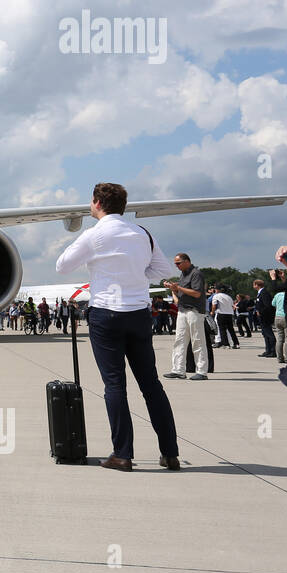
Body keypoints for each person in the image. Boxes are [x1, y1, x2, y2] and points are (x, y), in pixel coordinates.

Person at [55, 182, 180, 471]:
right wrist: (136, 274)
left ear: (97, 203)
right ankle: (170, 453)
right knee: (152, 385)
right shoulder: (142, 233)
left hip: (106, 316)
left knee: (115, 385)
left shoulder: (95, 234)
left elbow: (63, 265)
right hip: (138, 313)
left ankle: (123, 454)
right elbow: (163, 270)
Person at [165, 252, 210, 380]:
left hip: (194, 311)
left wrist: (178, 287)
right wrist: (173, 289)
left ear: (186, 261)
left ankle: (202, 371)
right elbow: (180, 295)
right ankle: (178, 370)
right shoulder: (183, 274)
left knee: (198, 340)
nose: (176, 266)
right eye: (175, 264)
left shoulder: (196, 274)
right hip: (183, 309)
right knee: (179, 340)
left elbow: (196, 293)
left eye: (178, 263)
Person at [254, 275, 277, 358]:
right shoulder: (260, 293)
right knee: (265, 334)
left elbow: (268, 305)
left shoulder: (264, 293)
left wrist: (260, 311)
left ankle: (273, 351)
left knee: (269, 333)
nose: (253, 286)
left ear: (257, 285)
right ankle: (268, 350)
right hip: (261, 317)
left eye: (254, 284)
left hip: (265, 317)